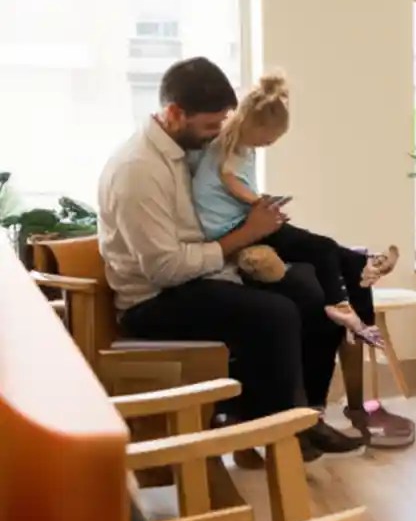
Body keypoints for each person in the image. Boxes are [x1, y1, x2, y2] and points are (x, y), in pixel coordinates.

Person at [98, 56, 363, 460]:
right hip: (152, 300)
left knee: (310, 289)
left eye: (223, 122)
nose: (217, 134)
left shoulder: (185, 149)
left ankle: (304, 415)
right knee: (274, 314)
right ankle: (279, 432)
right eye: (209, 126)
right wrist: (245, 235)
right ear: (173, 113)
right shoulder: (139, 171)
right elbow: (164, 269)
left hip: (198, 277)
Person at [190, 72, 397, 348]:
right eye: (266, 140)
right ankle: (342, 301)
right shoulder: (228, 145)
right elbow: (229, 180)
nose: (267, 146)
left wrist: (259, 200)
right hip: (232, 227)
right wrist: (257, 203)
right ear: (252, 124)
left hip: (239, 219)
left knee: (327, 250)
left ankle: (363, 293)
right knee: (321, 248)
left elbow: (233, 183)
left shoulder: (243, 146)